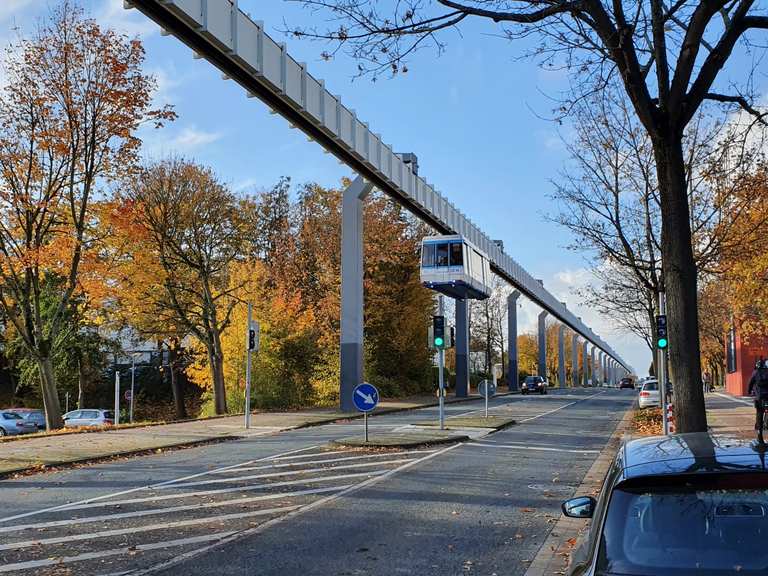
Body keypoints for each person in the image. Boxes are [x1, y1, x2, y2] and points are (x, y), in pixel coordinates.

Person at [748, 358, 768, 444]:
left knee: (759, 414)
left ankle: (760, 437)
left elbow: (750, 383)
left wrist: (749, 391)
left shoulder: (755, 373)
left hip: (759, 397)